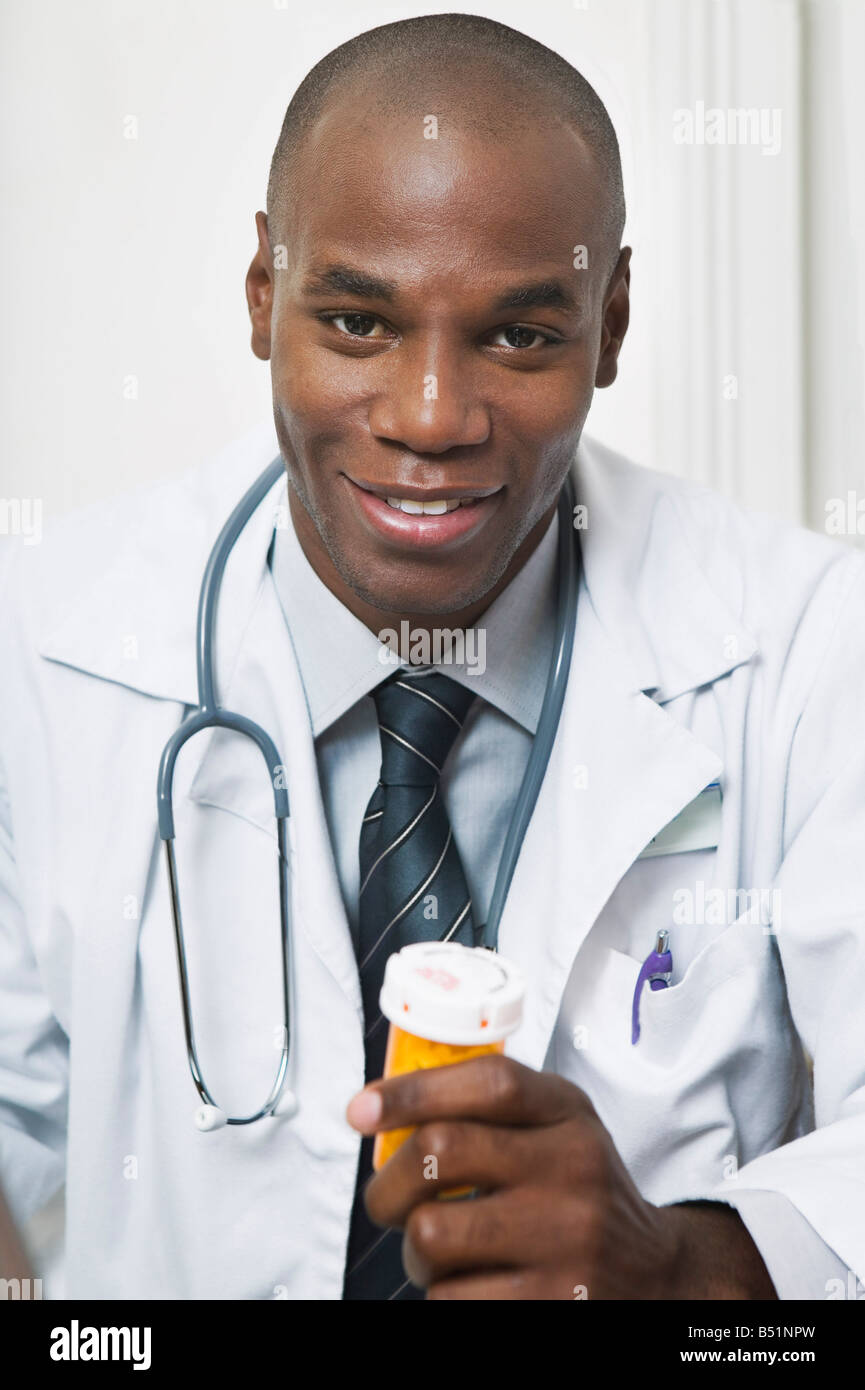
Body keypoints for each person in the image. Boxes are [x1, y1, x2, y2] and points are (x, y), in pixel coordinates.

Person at [1, 13, 864, 1301]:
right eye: (356, 322)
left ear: (612, 321)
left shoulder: (809, 650)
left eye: (520, 337)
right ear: (262, 297)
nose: (428, 420)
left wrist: (687, 1274)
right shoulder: (46, 645)